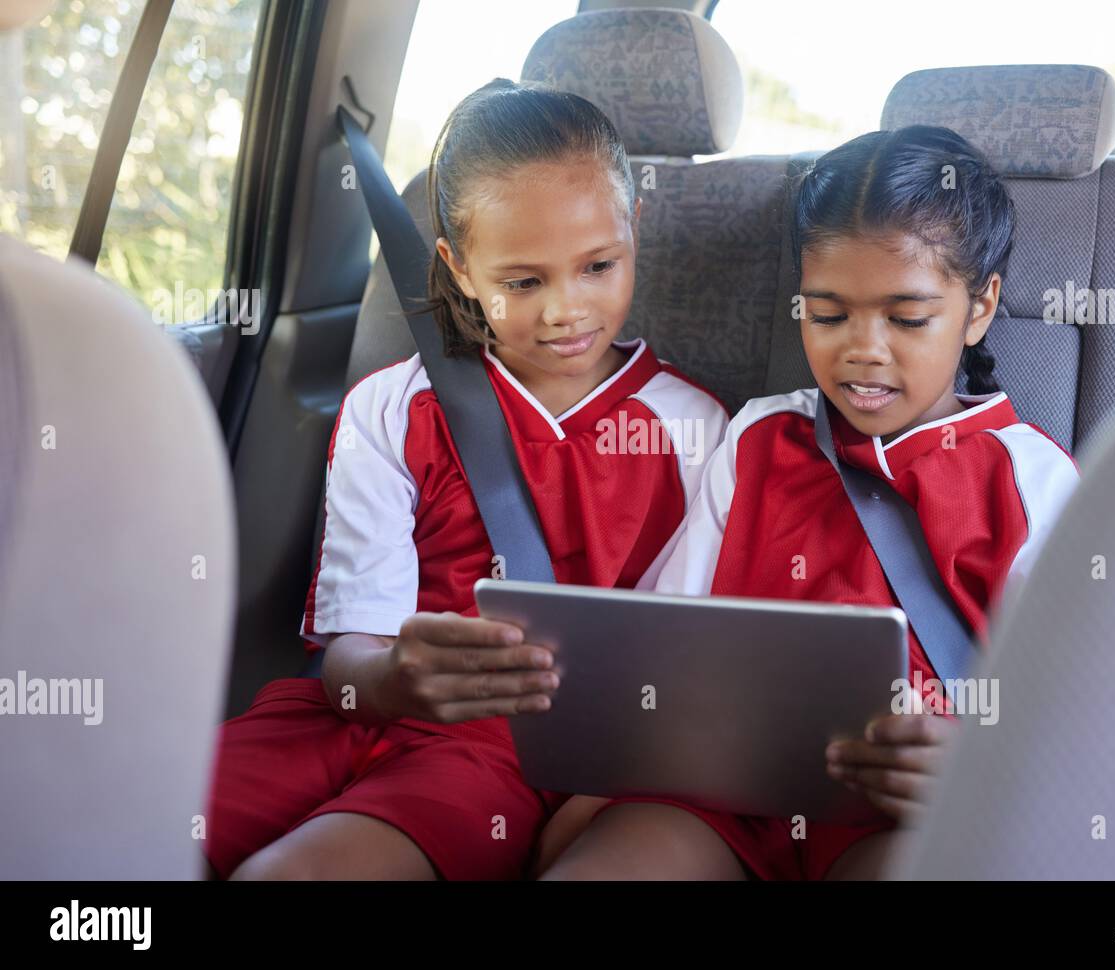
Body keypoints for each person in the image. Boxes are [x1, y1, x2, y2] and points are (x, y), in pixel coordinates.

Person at [203, 79, 728, 881]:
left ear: (635, 231)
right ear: (457, 265)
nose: (566, 310)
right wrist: (389, 680)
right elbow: (352, 654)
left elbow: (666, 679)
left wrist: (595, 800)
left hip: (503, 750)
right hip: (348, 710)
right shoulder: (392, 406)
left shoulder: (695, 430)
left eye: (598, 266)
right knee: (105, 830)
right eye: (524, 282)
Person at [542, 125, 1079, 880]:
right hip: (717, 797)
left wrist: (979, 761)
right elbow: (668, 629)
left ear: (980, 305)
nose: (862, 348)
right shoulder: (763, 435)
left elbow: (1080, 709)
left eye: (907, 318)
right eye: (828, 315)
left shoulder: (1029, 480)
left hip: (896, 812)